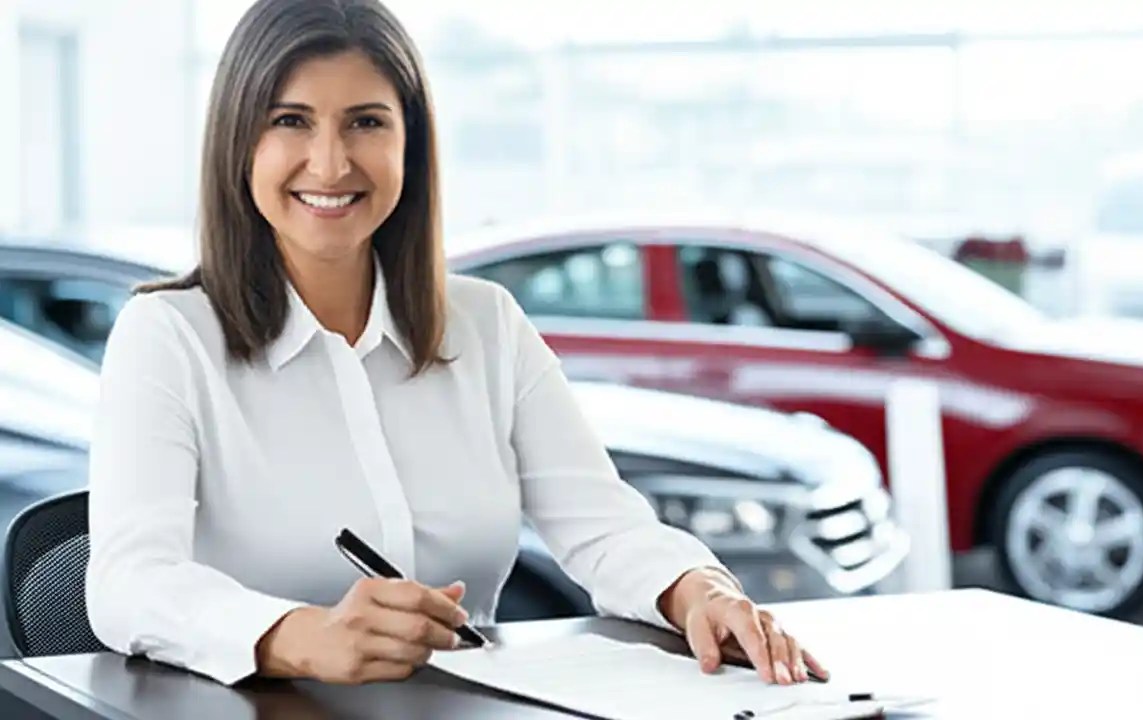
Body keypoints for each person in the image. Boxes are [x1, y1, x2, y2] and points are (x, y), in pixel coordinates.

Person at [86, 0, 827, 688]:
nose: (331, 162)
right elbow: (128, 582)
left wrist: (698, 591)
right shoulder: (169, 337)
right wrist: (303, 635)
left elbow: (605, 526)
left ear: (411, 144)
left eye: (366, 123)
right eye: (291, 120)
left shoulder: (487, 324)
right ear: (238, 141)